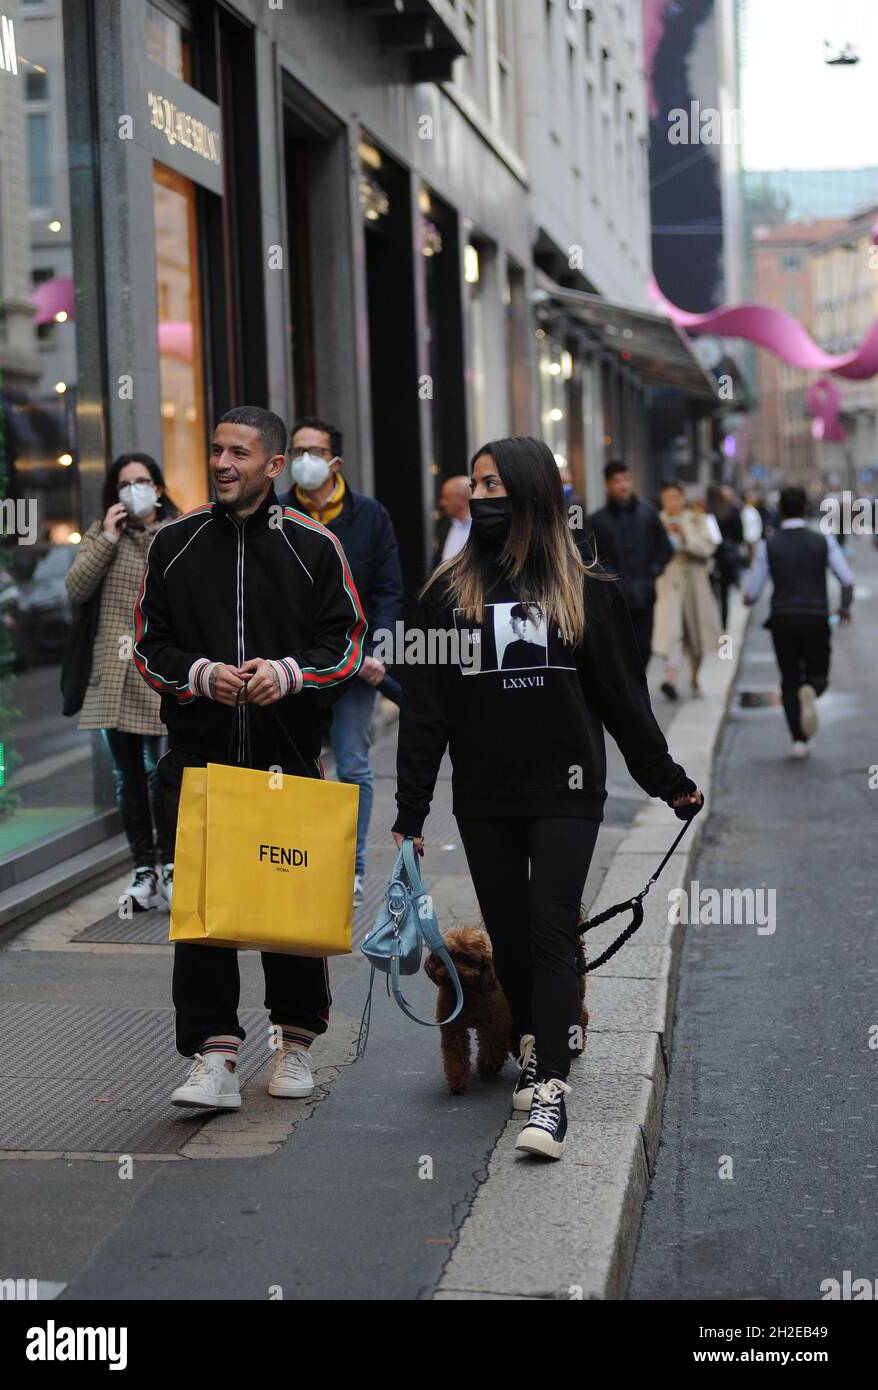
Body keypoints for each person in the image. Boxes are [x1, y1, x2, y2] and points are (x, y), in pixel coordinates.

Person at [392, 437, 701, 1161]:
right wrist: (409, 814)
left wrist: (666, 779)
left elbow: (623, 699)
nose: (478, 496)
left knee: (551, 928)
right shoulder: (445, 594)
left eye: (492, 483)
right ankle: (533, 1040)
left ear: (529, 492)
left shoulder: (586, 589)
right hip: (485, 794)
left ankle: (553, 1089)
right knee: (511, 932)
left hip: (567, 792)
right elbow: (425, 713)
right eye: (473, 484)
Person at [134, 406, 366, 1111]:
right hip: (199, 762)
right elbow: (149, 645)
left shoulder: (314, 546)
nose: (223, 463)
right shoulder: (173, 544)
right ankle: (213, 1059)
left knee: (288, 908)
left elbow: (347, 643)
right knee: (202, 917)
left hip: (284, 761)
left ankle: (294, 1045)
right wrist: (201, 674)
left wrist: (290, 674)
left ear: (273, 465)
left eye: (239, 452)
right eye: (216, 451)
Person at [278, 415, 402, 901]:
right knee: (296, 766)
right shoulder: (277, 512)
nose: (304, 461)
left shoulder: (370, 515)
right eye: (297, 451)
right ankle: (301, 859)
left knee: (352, 765)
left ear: (335, 461)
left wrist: (377, 652)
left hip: (356, 667)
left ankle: (350, 868)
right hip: (298, 668)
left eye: (314, 451)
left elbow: (389, 592)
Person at [65, 453, 180, 910]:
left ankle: (172, 864)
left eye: (143, 480)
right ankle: (144, 869)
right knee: (126, 775)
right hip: (113, 674)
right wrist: (109, 537)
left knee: (163, 774)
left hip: (160, 671)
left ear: (158, 487)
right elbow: (76, 589)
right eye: (125, 483)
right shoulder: (102, 535)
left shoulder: (178, 532)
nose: (135, 489)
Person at [744, 484, 854, 759]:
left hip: (783, 620)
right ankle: (813, 690)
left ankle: (798, 740)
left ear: (779, 509)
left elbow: (752, 591)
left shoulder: (770, 544)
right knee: (819, 676)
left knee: (789, 679)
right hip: (816, 618)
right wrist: (843, 609)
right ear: (805, 508)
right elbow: (847, 580)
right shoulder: (823, 540)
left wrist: (747, 600)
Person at [586, 460, 673, 667]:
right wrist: (608, 579)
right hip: (614, 598)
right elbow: (590, 557)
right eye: (617, 481)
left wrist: (653, 571)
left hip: (644, 594)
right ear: (607, 484)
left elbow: (665, 548)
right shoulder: (598, 521)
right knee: (619, 651)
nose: (623, 485)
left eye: (626, 479)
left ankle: (638, 690)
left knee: (644, 647)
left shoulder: (648, 514)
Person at [651, 480, 722, 700]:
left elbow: (708, 548)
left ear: (682, 497)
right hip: (669, 584)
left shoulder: (698, 519)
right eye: (667, 499)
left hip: (695, 584)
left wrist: (685, 536)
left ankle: (694, 678)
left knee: (696, 636)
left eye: (675, 497)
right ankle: (670, 678)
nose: (672, 503)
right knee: (672, 633)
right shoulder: (656, 522)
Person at [707, 484, 746, 629]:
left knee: (710, 594)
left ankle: (713, 624)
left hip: (709, 557)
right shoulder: (731, 510)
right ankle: (723, 624)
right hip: (727, 557)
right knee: (725, 594)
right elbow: (739, 535)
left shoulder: (706, 512)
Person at [432, 475, 472, 569]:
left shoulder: (480, 526)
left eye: (446, 497)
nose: (442, 502)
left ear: (460, 499)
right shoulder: (444, 526)